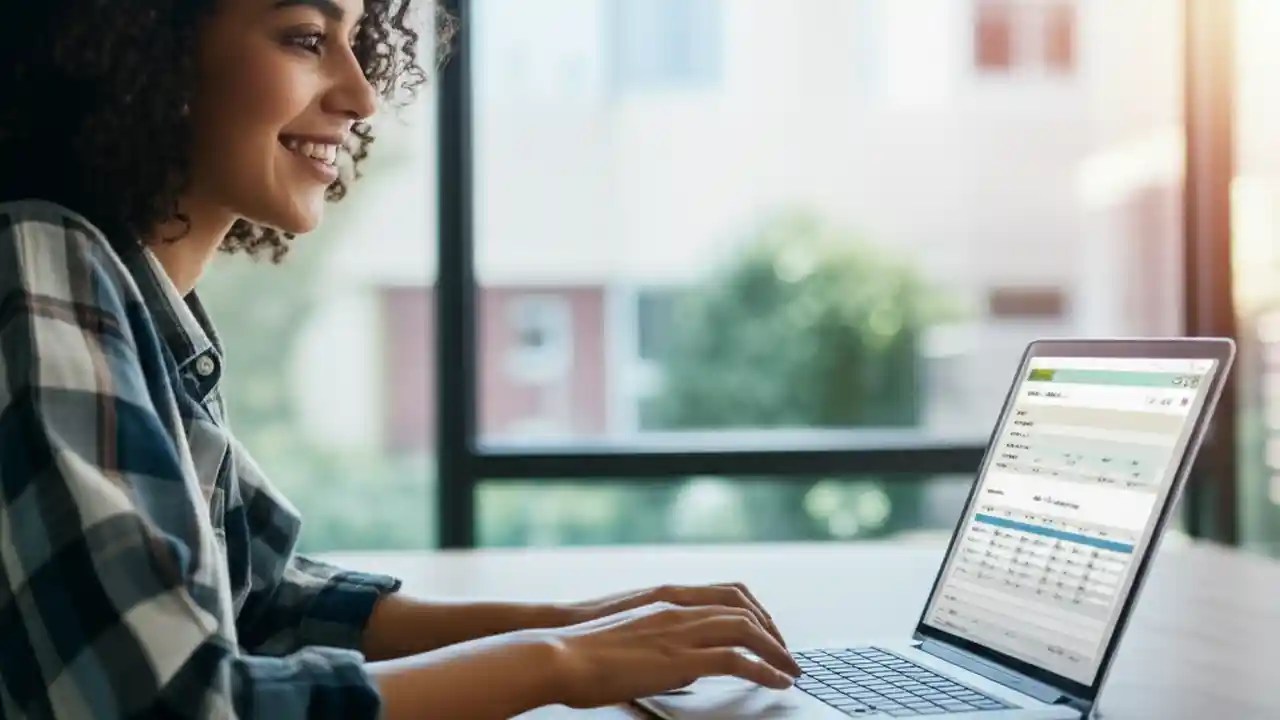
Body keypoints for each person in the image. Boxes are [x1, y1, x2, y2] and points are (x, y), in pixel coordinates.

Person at [0, 1, 802, 718]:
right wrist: (558, 663)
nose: (362, 93)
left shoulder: (132, 297)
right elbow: (181, 704)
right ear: (150, 48)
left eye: (358, 41)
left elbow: (264, 602)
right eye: (307, 37)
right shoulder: (40, 260)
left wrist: (581, 622)